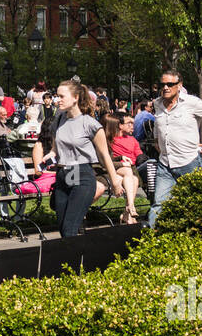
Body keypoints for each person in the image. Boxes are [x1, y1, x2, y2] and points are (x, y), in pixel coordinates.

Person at [147, 71, 202, 228]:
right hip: (165, 164)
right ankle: (150, 239)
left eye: (170, 84)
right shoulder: (157, 103)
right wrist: (156, 140)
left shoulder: (191, 102)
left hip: (189, 162)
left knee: (200, 204)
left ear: (179, 85)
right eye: (163, 84)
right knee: (159, 203)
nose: (166, 87)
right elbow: (157, 124)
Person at [52, 81, 125, 237]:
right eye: (56, 96)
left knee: (70, 228)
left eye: (61, 96)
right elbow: (54, 149)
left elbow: (104, 155)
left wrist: (115, 182)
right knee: (63, 228)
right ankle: (73, 259)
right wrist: (48, 156)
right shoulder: (58, 120)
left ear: (75, 98)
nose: (57, 100)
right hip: (63, 174)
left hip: (81, 173)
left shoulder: (90, 124)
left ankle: (73, 261)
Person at [106, 114, 142, 224]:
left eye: (133, 123)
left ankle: (127, 213)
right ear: (120, 125)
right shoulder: (112, 140)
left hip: (132, 169)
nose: (132, 126)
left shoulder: (133, 140)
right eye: (129, 123)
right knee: (128, 171)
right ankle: (130, 208)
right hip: (117, 168)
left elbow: (139, 155)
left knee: (134, 179)